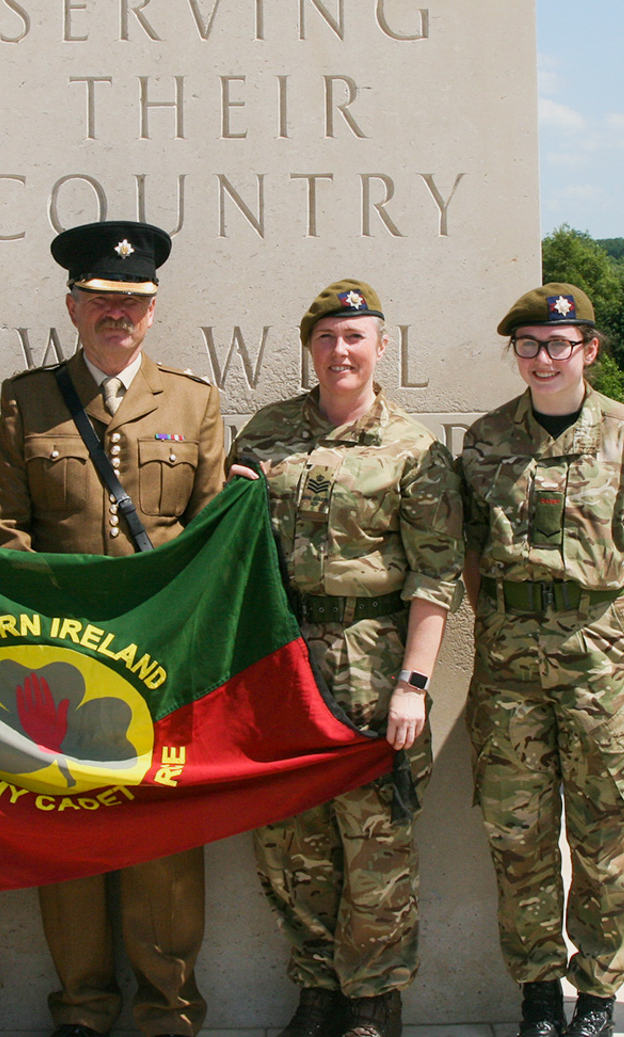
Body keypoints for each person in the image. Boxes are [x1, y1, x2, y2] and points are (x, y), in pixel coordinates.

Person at [0, 220, 226, 1037]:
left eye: (132, 303)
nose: (116, 315)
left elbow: (211, 531)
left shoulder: (195, 403)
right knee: (71, 845)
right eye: (100, 301)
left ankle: (166, 1014)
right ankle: (81, 1011)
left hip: (160, 666)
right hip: (62, 667)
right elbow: (2, 529)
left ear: (152, 312)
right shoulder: (30, 399)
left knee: (163, 841)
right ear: (73, 306)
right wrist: (53, 622)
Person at [230, 280, 462, 1037]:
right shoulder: (264, 436)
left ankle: (372, 1000)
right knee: (291, 845)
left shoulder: (414, 449)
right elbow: (231, 551)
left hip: (372, 664)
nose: (341, 351)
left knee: (375, 849)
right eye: (327, 337)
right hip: (281, 666)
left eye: (356, 337)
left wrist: (414, 686)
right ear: (310, 346)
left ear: (381, 346)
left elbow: (436, 578)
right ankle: (316, 989)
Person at [457, 284, 624, 1037]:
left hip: (603, 666)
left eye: (560, 344)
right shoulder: (488, 440)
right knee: (517, 837)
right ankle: (536, 994)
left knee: (604, 839)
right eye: (528, 344)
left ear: (588, 349)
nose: (543, 358)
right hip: (510, 671)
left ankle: (595, 996)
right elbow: (470, 556)